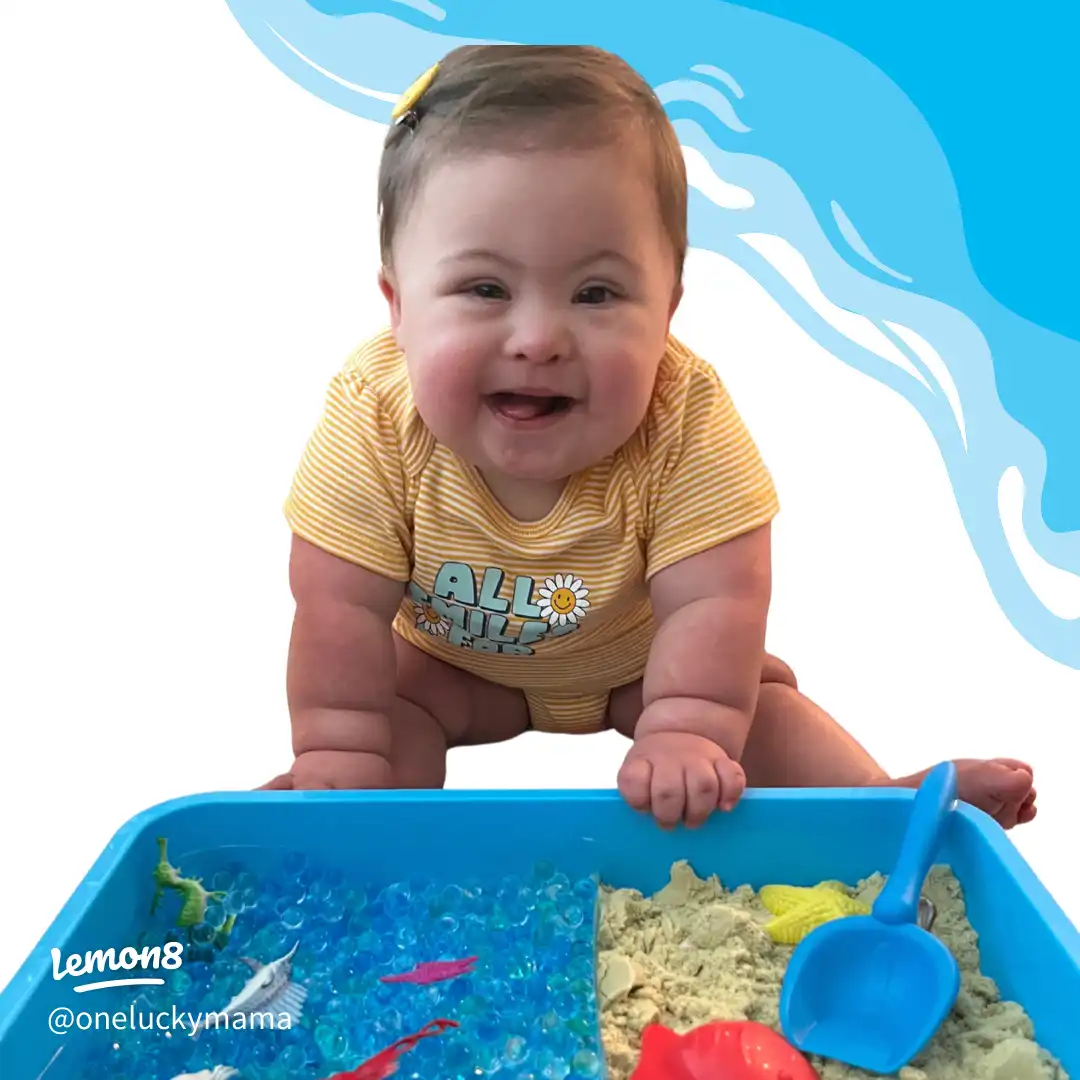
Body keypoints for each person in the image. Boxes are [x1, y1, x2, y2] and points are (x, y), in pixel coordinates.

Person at [261, 44, 1036, 831]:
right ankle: (332, 827)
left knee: (758, 713)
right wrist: (339, 747)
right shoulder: (373, 416)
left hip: (645, 666)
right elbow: (337, 604)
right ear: (398, 307)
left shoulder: (685, 418)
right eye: (484, 289)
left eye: (596, 292)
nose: (537, 338)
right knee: (379, 725)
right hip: (451, 674)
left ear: (667, 308)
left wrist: (688, 724)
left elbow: (718, 596)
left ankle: (876, 810)